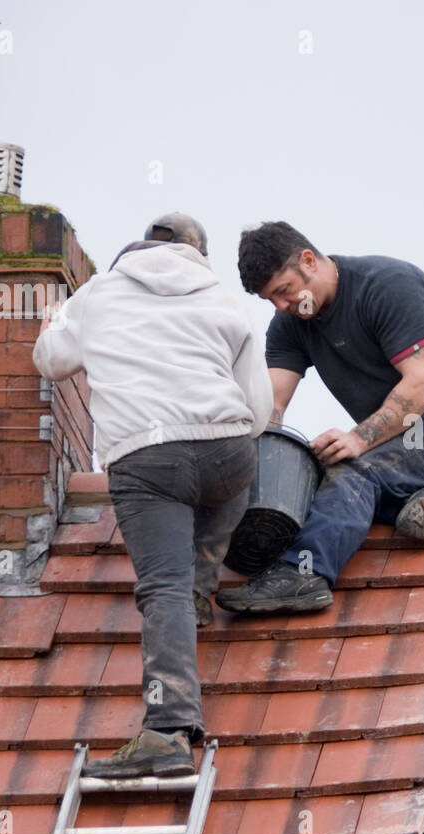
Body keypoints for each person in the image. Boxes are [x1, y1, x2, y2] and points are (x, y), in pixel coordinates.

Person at [32, 212, 273, 778]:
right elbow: (258, 412)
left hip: (146, 457)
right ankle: (201, 589)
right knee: (236, 466)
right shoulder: (221, 298)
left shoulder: (99, 292)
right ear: (199, 253)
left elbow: (52, 359)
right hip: (225, 451)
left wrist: (53, 321)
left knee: (160, 585)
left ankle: (168, 731)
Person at [216, 221, 424, 614]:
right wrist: (248, 461)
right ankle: (418, 501)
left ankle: (304, 576)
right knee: (310, 473)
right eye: (271, 300)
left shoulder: (386, 285)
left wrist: (358, 439)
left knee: (351, 470)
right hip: (399, 441)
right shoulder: (291, 322)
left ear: (308, 261)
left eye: (284, 291)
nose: (281, 307)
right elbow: (270, 408)